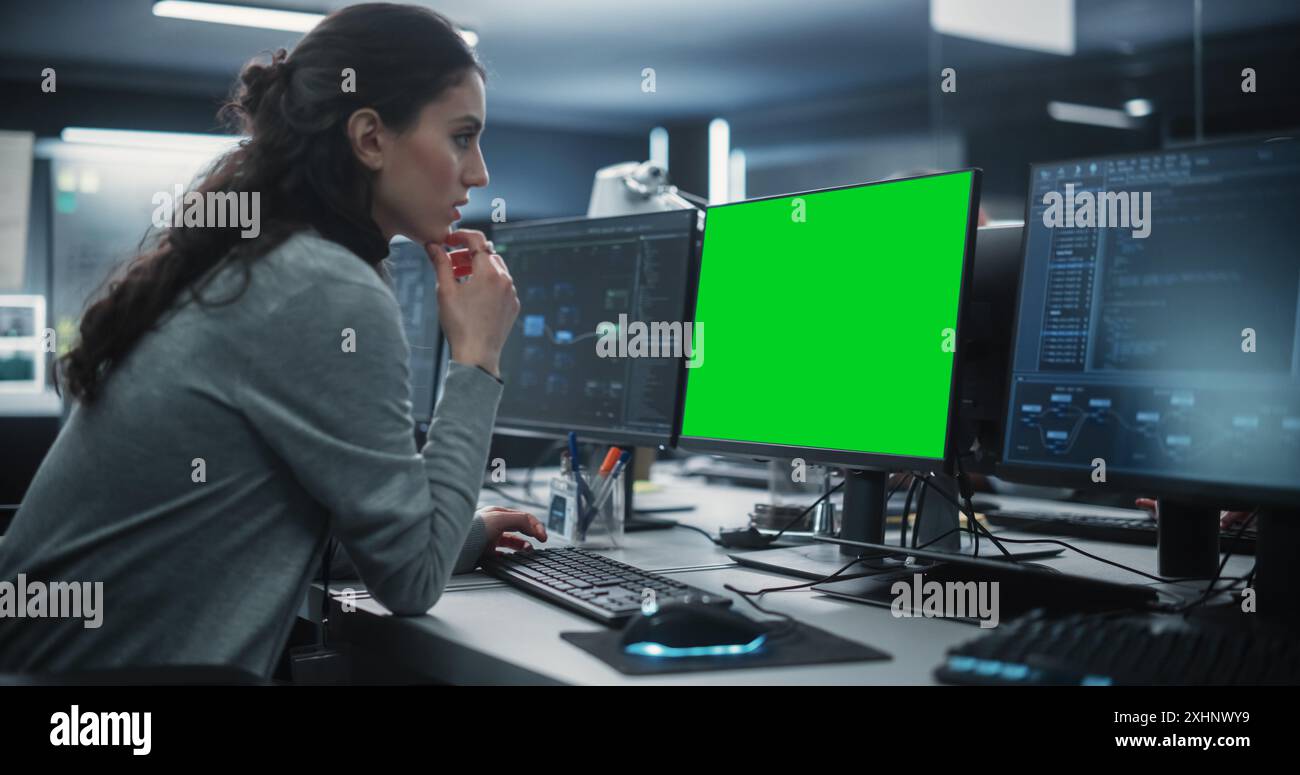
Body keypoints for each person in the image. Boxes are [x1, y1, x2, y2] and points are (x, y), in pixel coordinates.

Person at [0, 3, 544, 679]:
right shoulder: (324, 286)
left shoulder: (267, 257)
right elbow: (411, 579)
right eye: (462, 137)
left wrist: (465, 529)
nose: (480, 172)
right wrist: (478, 355)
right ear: (370, 138)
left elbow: (303, 532)